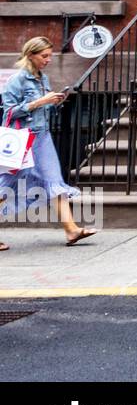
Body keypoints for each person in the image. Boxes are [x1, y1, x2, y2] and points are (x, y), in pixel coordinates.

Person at [0, 36, 96, 248]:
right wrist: (39, 102)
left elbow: (41, 109)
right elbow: (8, 113)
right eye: (44, 56)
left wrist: (53, 102)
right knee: (5, 186)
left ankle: (72, 230)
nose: (48, 60)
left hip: (42, 136)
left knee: (54, 182)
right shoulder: (17, 80)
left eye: (49, 56)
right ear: (31, 55)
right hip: (23, 139)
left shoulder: (42, 78)